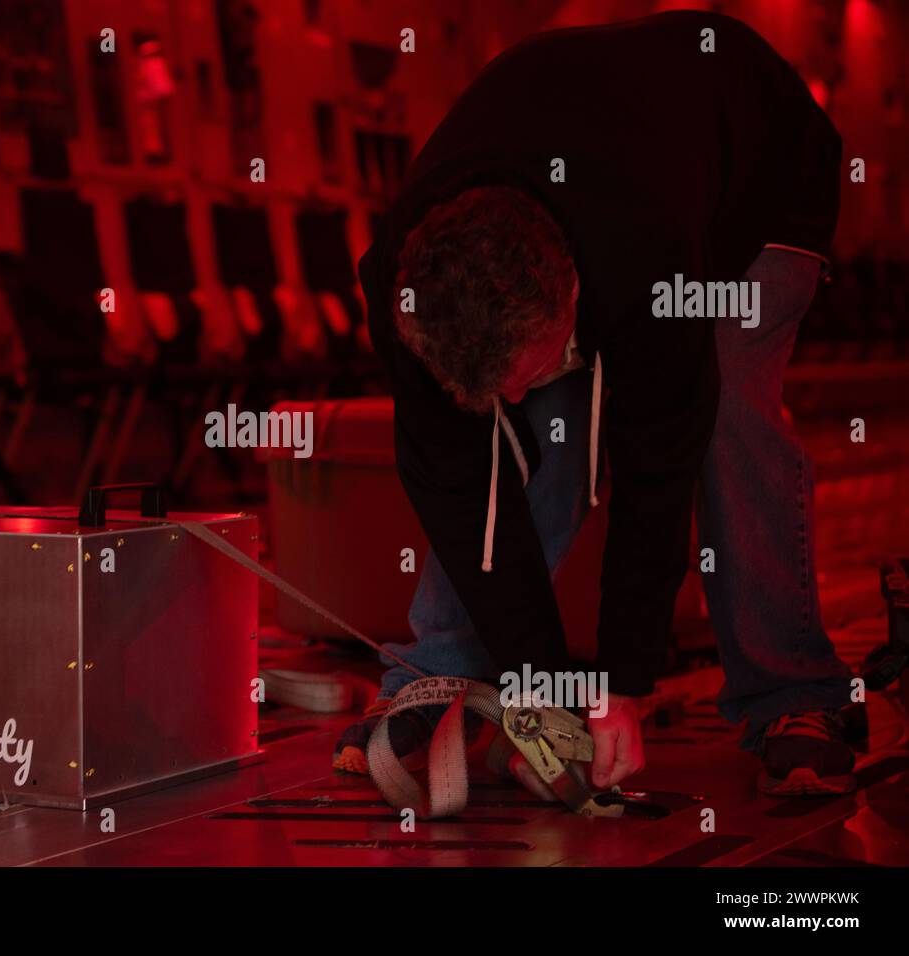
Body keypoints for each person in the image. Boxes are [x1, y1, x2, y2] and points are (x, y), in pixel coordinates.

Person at [338, 11, 855, 797]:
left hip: (763, 174)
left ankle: (792, 692)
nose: (509, 395)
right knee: (544, 421)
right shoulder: (401, 289)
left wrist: (622, 683)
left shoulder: (645, 259)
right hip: (602, 149)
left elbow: (658, 468)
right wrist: (539, 684)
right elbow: (455, 482)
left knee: (725, 414)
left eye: (527, 366)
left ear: (574, 297)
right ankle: (438, 673)